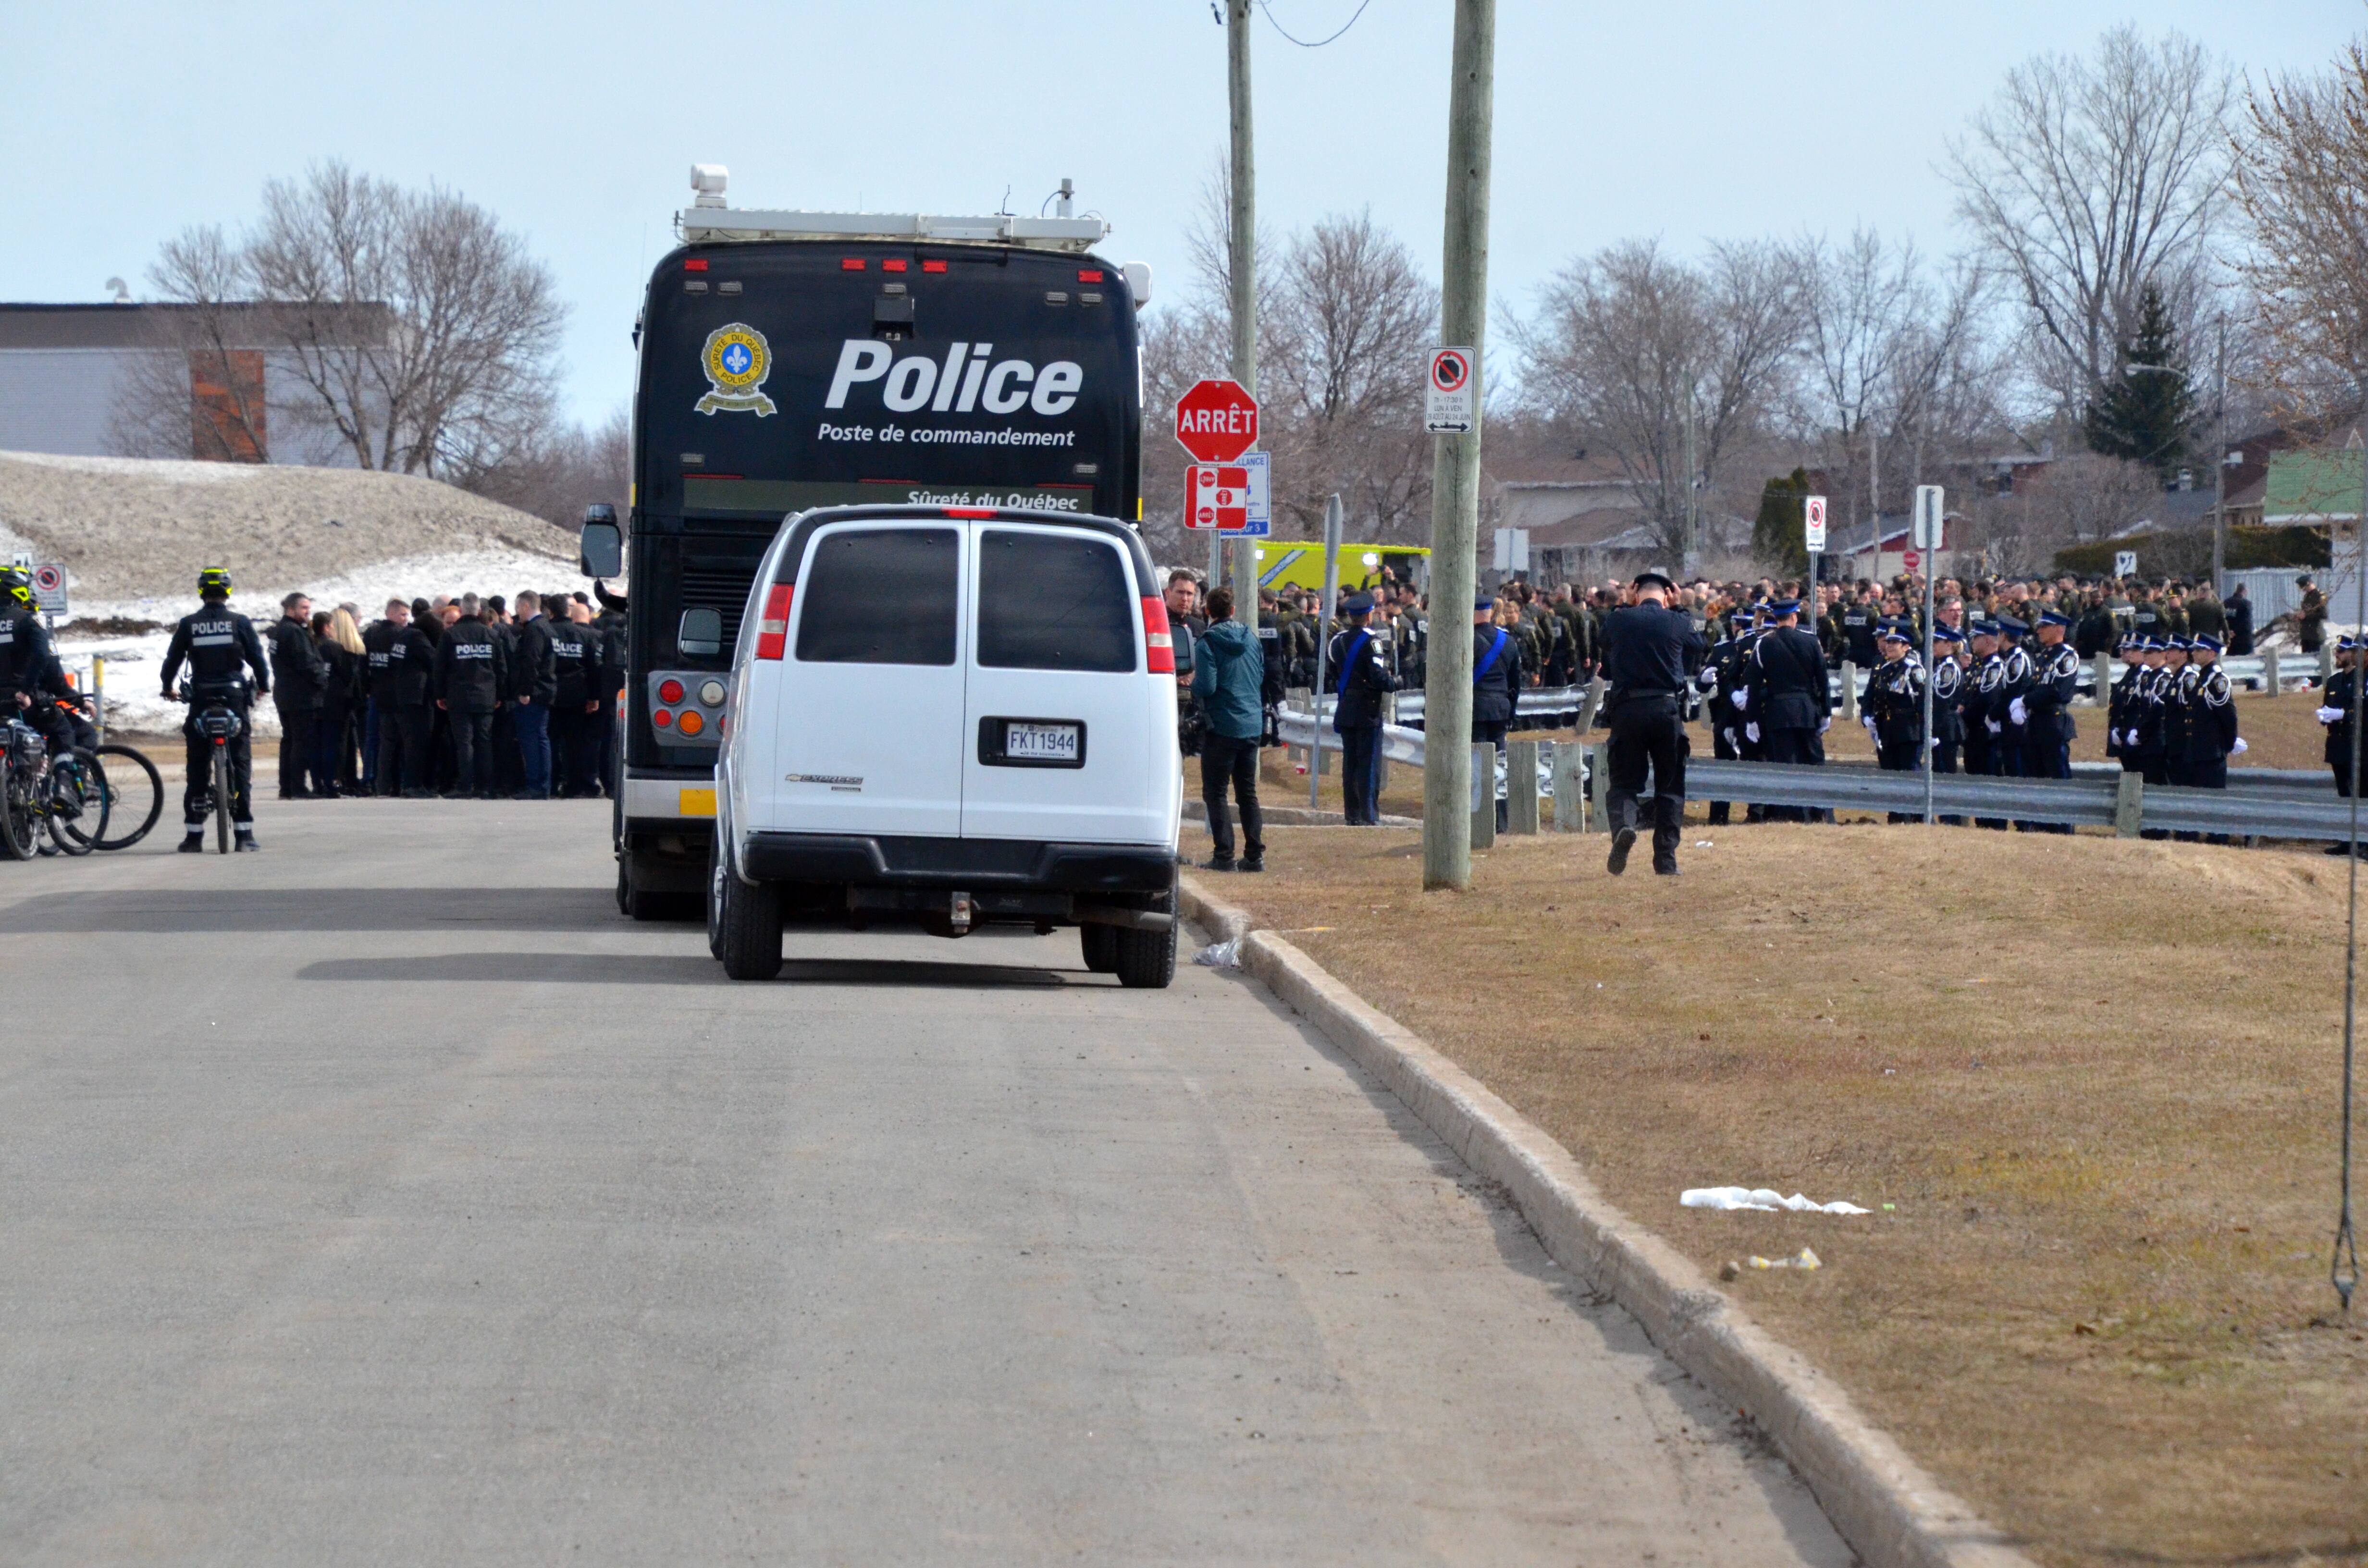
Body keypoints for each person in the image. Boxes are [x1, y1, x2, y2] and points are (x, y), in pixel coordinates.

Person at [1598, 570, 1705, 874]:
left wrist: (1623, 605)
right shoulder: (1677, 620)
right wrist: (1678, 608)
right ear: (1667, 594)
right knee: (1670, 786)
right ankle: (1666, 862)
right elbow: (1698, 645)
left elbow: (1603, 639)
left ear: (1635, 592)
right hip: (1665, 708)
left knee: (1624, 783)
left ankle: (1624, 826)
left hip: (1628, 709)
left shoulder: (1620, 620)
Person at [158, 567, 271, 850]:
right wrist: (264, 686)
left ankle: (194, 836)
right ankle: (244, 835)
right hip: (234, 699)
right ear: (228, 591)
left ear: (201, 591)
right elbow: (257, 658)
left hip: (202, 699)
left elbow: (172, 660)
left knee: (197, 765)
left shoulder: (189, 624)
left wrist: (167, 686)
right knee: (241, 763)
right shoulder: (239, 622)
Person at [1190, 588, 1265, 872]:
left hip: (1223, 725)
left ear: (1208, 611)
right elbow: (1259, 676)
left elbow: (1207, 686)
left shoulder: (1207, 642)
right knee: (1247, 792)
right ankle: (1255, 855)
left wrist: (1190, 684)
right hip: (1251, 724)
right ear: (1233, 611)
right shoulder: (1252, 638)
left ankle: (1224, 856)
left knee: (1216, 792)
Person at [1739, 598, 1830, 823]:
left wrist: (1751, 719)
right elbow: (1823, 680)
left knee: (1786, 765)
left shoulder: (1764, 644)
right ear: (1794, 617)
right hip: (1807, 709)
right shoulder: (1811, 642)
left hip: (1778, 711)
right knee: (1814, 761)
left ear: (1776, 618)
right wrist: (1827, 712)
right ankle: (1820, 812)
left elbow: (1753, 685)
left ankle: (1794, 815)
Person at [1326, 593, 1397, 826]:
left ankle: (1353, 813)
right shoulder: (1372, 640)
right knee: (1368, 764)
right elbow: (1377, 676)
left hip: (1346, 706)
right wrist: (1394, 683)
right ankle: (1369, 814)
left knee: (1351, 764)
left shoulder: (1337, 641)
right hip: (1368, 708)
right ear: (1368, 615)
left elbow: (1334, 672)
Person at [435, 594, 509, 799]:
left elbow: (440, 668)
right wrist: (500, 694)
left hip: (459, 696)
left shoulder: (451, 635)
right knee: (484, 741)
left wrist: (440, 694)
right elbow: (501, 668)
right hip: (486, 696)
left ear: (462, 610)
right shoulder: (491, 635)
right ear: (478, 611)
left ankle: (466, 786)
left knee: (464, 742)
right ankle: (485, 786)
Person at [2014, 609, 2081, 833]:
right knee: (2037, 776)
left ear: (2059, 629)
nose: (2039, 630)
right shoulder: (2043, 656)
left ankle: (2063, 826)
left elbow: (2058, 691)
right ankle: (2043, 824)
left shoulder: (2067, 656)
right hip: (2037, 723)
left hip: (2053, 722)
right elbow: (2035, 685)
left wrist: (2026, 700)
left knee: (2057, 775)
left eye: (2045, 626)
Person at [363, 597, 436, 797]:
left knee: (387, 744)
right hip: (402, 696)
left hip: (381, 696)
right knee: (411, 741)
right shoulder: (405, 636)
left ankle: (384, 786)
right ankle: (409, 784)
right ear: (391, 613)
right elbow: (432, 660)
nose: (407, 619)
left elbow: (365, 664)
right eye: (403, 614)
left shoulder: (371, 634)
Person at [1470, 594, 1524, 833]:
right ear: (1490, 613)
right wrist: (1511, 712)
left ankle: (1477, 818)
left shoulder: (1465, 639)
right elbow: (1516, 683)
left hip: (1474, 711)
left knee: (1476, 767)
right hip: (1500, 710)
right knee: (1499, 767)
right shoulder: (1508, 641)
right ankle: (1501, 821)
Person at [1862, 624, 1926, 822]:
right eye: (1888, 642)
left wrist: (1926, 732)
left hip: (1908, 730)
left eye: (1895, 643)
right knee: (1891, 774)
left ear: (1906, 647)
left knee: (1908, 774)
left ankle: (1914, 817)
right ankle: (1896, 816)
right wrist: (1869, 717)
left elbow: (1923, 702)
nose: (1890, 646)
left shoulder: (1913, 670)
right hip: (1887, 730)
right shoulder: (1884, 669)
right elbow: (1873, 696)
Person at [509, 589, 558, 799]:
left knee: (532, 738)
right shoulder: (547, 627)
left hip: (535, 692)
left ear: (526, 606)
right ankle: (542, 786)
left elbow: (532, 661)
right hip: (545, 689)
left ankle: (536, 785)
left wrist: (526, 691)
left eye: (518, 607)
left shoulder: (535, 629)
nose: (517, 611)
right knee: (540, 737)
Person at [547, 595, 596, 797]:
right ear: (569, 612)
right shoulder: (585, 635)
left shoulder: (547, 632)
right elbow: (594, 667)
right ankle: (574, 786)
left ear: (550, 612)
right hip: (578, 695)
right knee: (575, 744)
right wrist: (594, 696)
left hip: (552, 696)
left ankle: (551, 784)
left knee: (550, 743)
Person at [2319, 637, 2360, 853]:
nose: (2338, 656)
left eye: (2342, 652)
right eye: (2337, 652)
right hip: (2337, 745)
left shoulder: (2362, 679)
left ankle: (2362, 842)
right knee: (2344, 794)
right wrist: (2325, 716)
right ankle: (2346, 841)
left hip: (2358, 745)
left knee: (2360, 795)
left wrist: (2344, 715)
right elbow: (2328, 706)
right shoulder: (2334, 681)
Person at [2226, 583, 2255, 656]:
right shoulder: (2246, 604)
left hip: (2230, 640)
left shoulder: (2226, 603)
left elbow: (2223, 619)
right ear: (2245, 591)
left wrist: (2228, 632)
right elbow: (2247, 623)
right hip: (2244, 640)